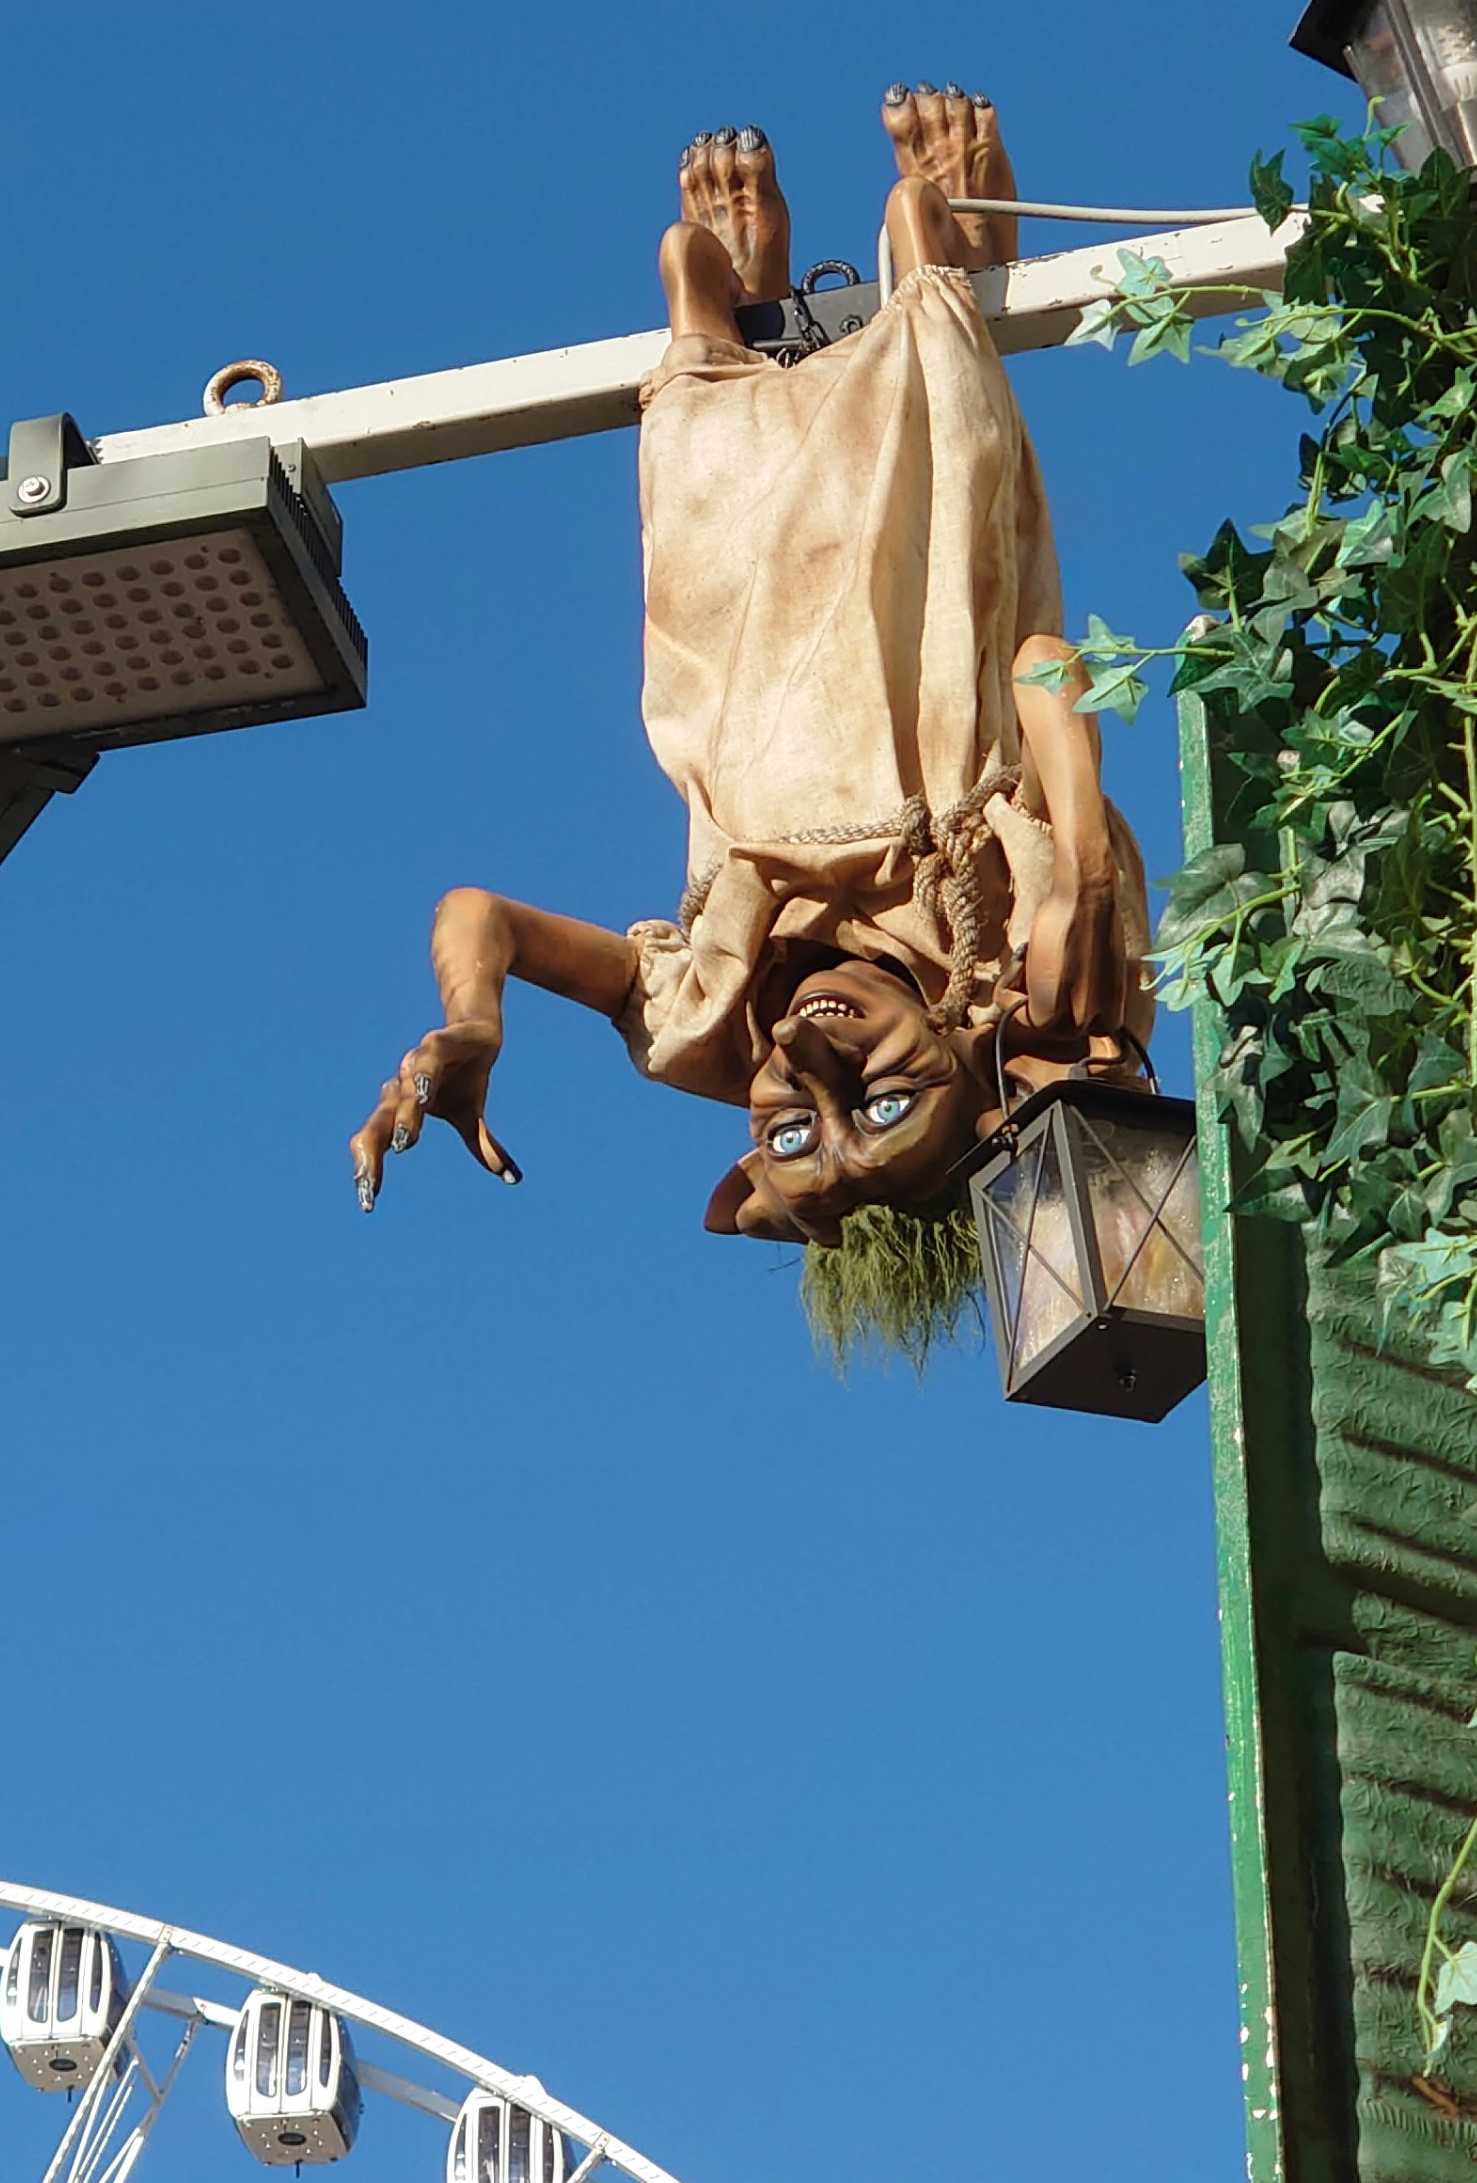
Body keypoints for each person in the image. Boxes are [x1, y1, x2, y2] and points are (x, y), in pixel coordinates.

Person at [349, 87, 1153, 1335]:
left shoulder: (699, 1027)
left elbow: (480, 912)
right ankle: (951, 254)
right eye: (881, 1109)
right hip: (918, 645)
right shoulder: (1010, 976)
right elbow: (1048, 666)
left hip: (732, 664)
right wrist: (1078, 850)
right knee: (923, 375)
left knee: (700, 477)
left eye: (789, 1126)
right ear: (981, 1102)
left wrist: (473, 1021)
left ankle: (724, 325)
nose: (815, 1072)